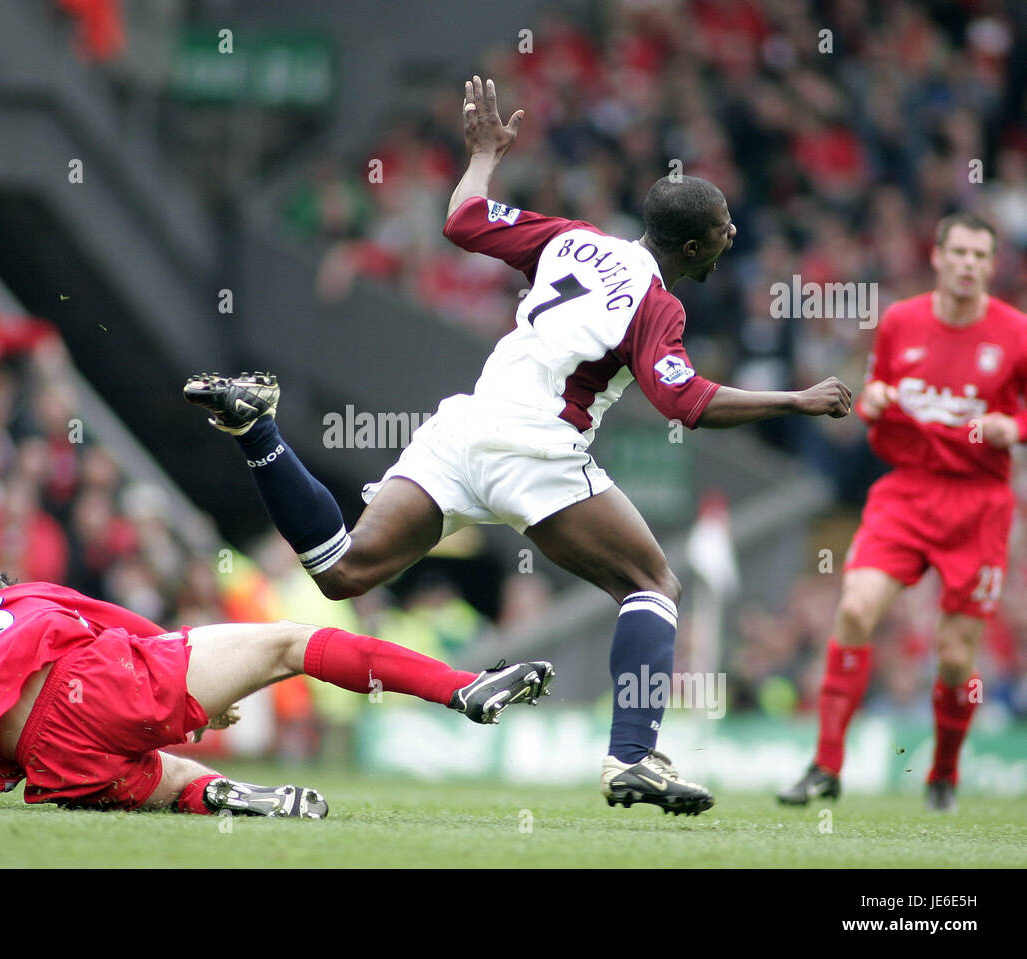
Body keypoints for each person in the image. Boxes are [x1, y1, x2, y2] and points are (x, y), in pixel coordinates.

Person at [185, 76, 853, 816]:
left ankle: (258, 428)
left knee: (343, 570)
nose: (732, 237)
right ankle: (633, 757)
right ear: (694, 246)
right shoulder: (657, 304)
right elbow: (686, 402)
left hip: (465, 428)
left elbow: (465, 219)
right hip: (537, 446)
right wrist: (795, 399)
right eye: (725, 229)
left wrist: (480, 155)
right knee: (652, 585)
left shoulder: (574, 239)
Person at [0, 564, 554, 814]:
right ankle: (462, 689)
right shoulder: (11, 597)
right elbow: (124, 626)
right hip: (105, 687)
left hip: (54, 764)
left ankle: (232, 796)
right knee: (289, 643)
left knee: (151, 772)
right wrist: (197, 685)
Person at [778, 214, 1026, 812]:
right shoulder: (900, 322)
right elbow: (871, 398)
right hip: (907, 492)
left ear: (991, 266)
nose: (968, 263)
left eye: (979, 255)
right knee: (857, 609)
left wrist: (1011, 427)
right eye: (959, 252)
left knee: (958, 660)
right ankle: (826, 764)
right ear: (938, 257)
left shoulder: (1015, 334)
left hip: (979, 504)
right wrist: (876, 399)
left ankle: (943, 769)